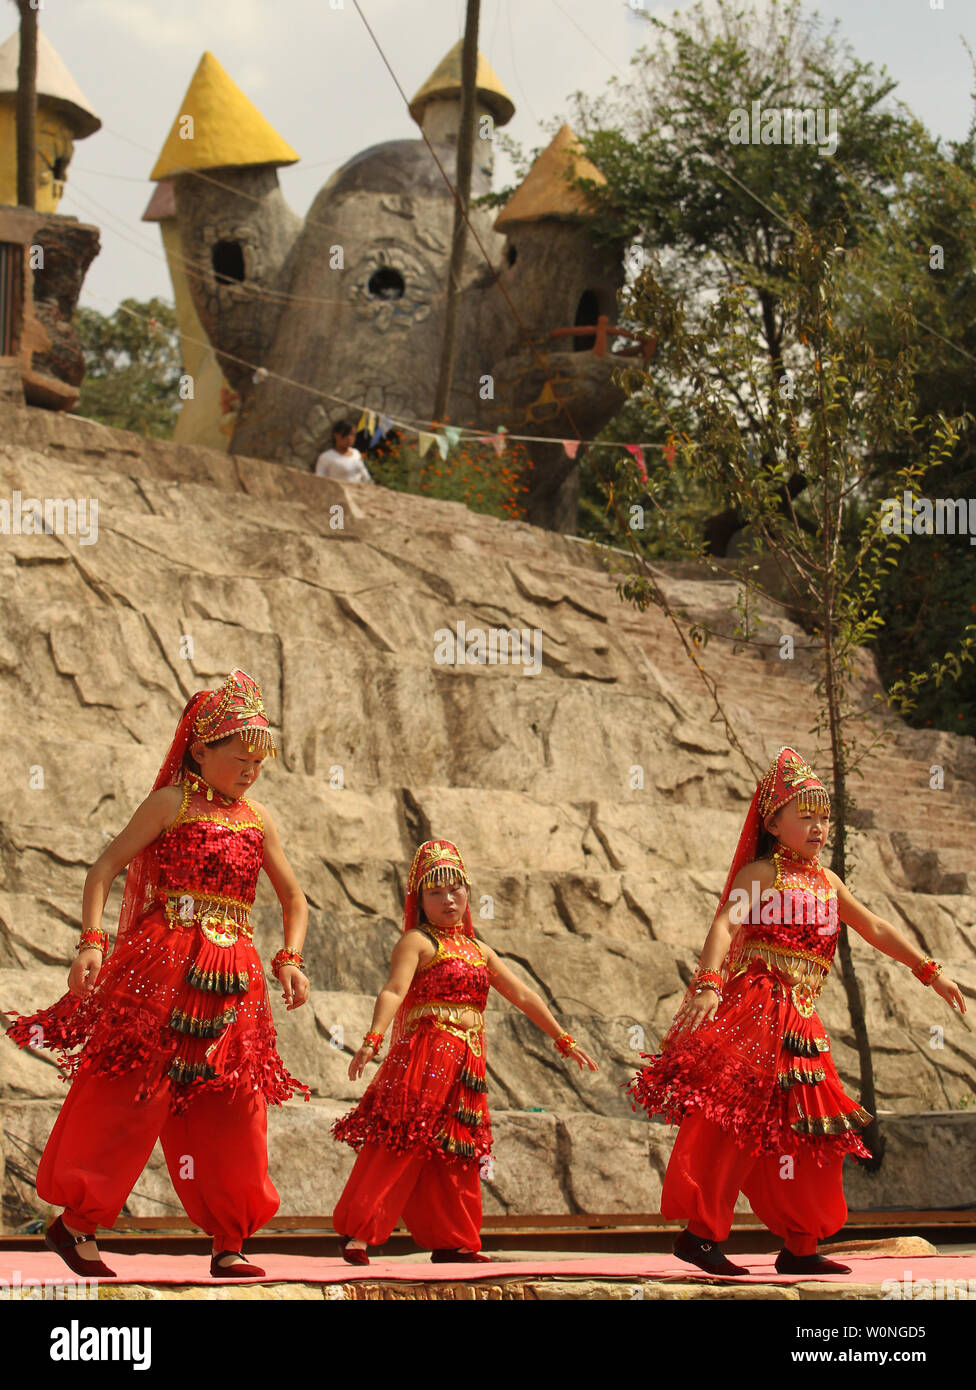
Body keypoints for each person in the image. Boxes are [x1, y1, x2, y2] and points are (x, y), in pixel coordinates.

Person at [4, 670, 311, 1280]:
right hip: (164, 962)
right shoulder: (172, 803)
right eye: (239, 758)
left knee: (234, 1099)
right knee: (132, 1090)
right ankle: (78, 1221)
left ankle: (229, 1237)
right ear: (199, 750)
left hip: (235, 974)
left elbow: (294, 899)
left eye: (258, 761)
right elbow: (103, 869)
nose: (251, 771)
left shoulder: (258, 819)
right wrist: (92, 943)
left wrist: (290, 958)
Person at [627, 746, 966, 1277]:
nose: (818, 828)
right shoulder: (762, 874)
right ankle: (700, 1233)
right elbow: (725, 925)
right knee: (735, 1120)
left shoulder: (827, 882)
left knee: (812, 1129)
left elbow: (874, 926)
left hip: (802, 1020)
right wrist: (710, 984)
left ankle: (801, 1244)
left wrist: (929, 971)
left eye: (823, 818)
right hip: (758, 1008)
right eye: (805, 816)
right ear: (772, 823)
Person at [331, 838, 597, 1264]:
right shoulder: (417, 942)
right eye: (435, 892)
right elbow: (394, 990)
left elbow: (522, 994)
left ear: (468, 891)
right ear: (420, 900)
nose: (448, 900)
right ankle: (358, 1234)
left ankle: (453, 1239)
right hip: (426, 1055)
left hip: (467, 1062)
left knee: (456, 1148)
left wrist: (563, 1038)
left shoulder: (479, 950)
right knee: (402, 1139)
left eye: (455, 889)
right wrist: (372, 1040)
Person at [314, 418, 373, 483]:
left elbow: (365, 475)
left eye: (352, 435)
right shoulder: (326, 457)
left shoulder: (356, 453)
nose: (349, 438)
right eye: (346, 434)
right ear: (336, 435)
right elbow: (320, 480)